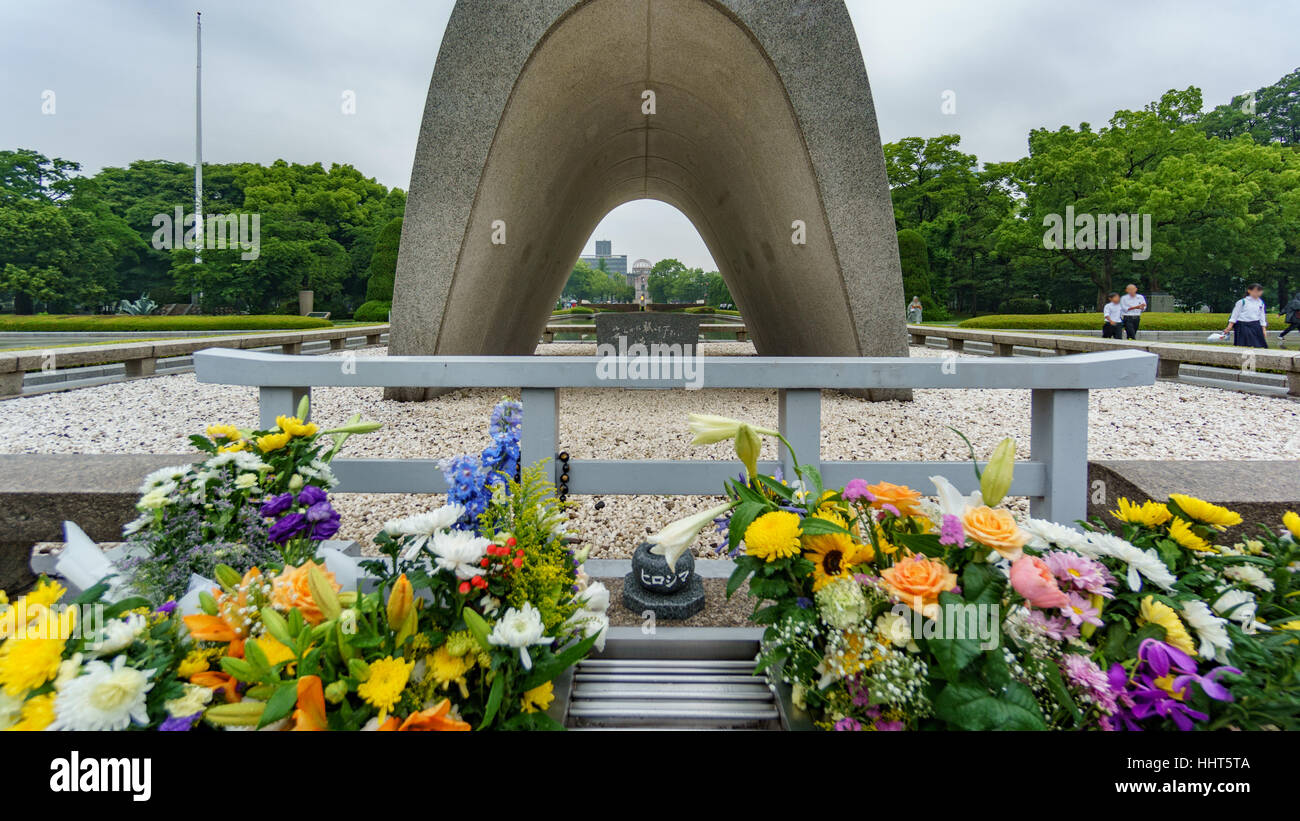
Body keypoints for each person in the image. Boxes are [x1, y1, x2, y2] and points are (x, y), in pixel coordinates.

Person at [1224, 282, 1269, 348]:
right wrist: (1229, 327)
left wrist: (1263, 329)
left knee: (1259, 344)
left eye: (1260, 291)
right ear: (1249, 291)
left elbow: (1262, 316)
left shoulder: (1261, 303)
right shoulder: (1242, 302)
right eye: (1256, 291)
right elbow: (1235, 315)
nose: (1258, 293)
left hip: (1255, 325)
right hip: (1243, 325)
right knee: (1244, 344)